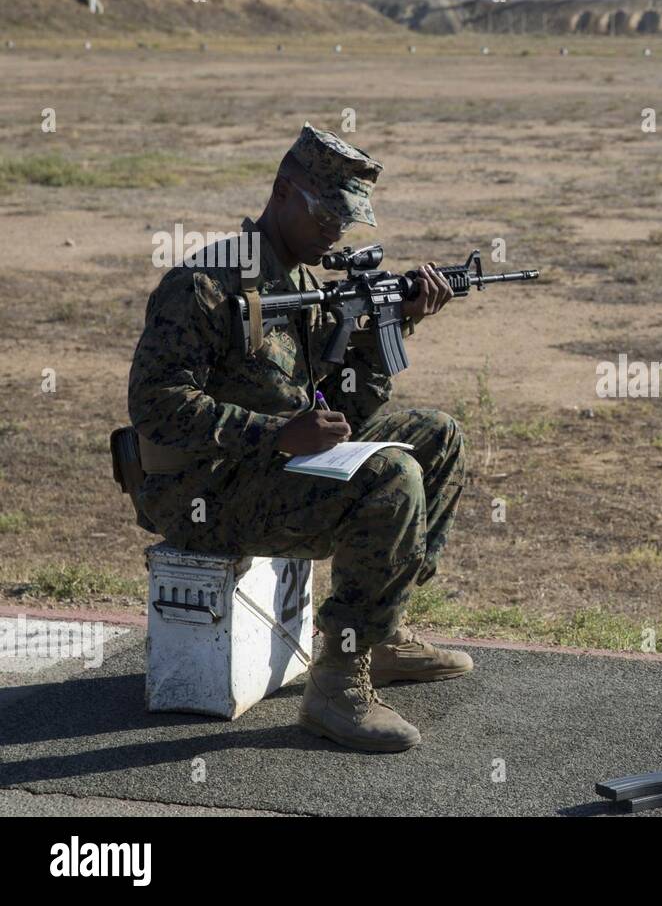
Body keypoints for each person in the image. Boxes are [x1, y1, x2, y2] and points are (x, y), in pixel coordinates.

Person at [127, 123, 471, 753]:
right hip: (201, 490)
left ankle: (376, 632)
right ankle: (335, 687)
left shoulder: (302, 282)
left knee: (436, 438)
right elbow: (155, 405)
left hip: (272, 470)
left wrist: (383, 334)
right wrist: (277, 435)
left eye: (347, 219)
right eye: (327, 214)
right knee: (393, 476)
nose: (337, 231)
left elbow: (340, 410)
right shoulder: (205, 284)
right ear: (282, 192)